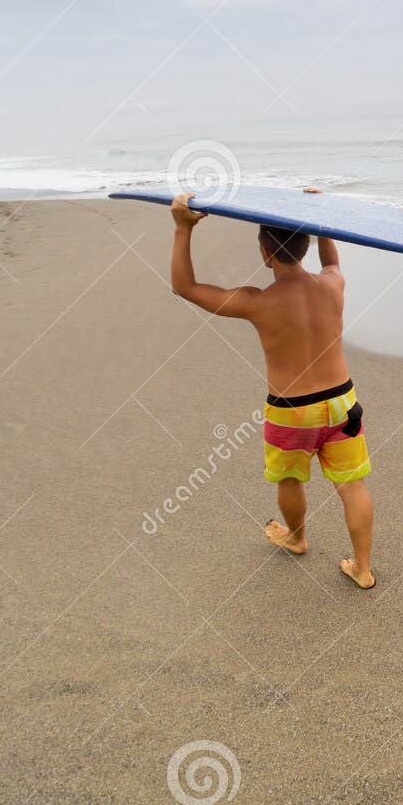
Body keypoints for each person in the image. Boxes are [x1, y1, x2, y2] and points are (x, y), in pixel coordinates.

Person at [168, 191, 377, 589]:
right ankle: (363, 569)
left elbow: (185, 286)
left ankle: (297, 537)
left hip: (291, 410)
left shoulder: (257, 302)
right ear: (307, 244)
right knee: (352, 485)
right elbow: (331, 261)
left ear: (265, 252)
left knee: (290, 480)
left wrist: (182, 229)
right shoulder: (333, 284)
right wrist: (321, 217)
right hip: (342, 402)